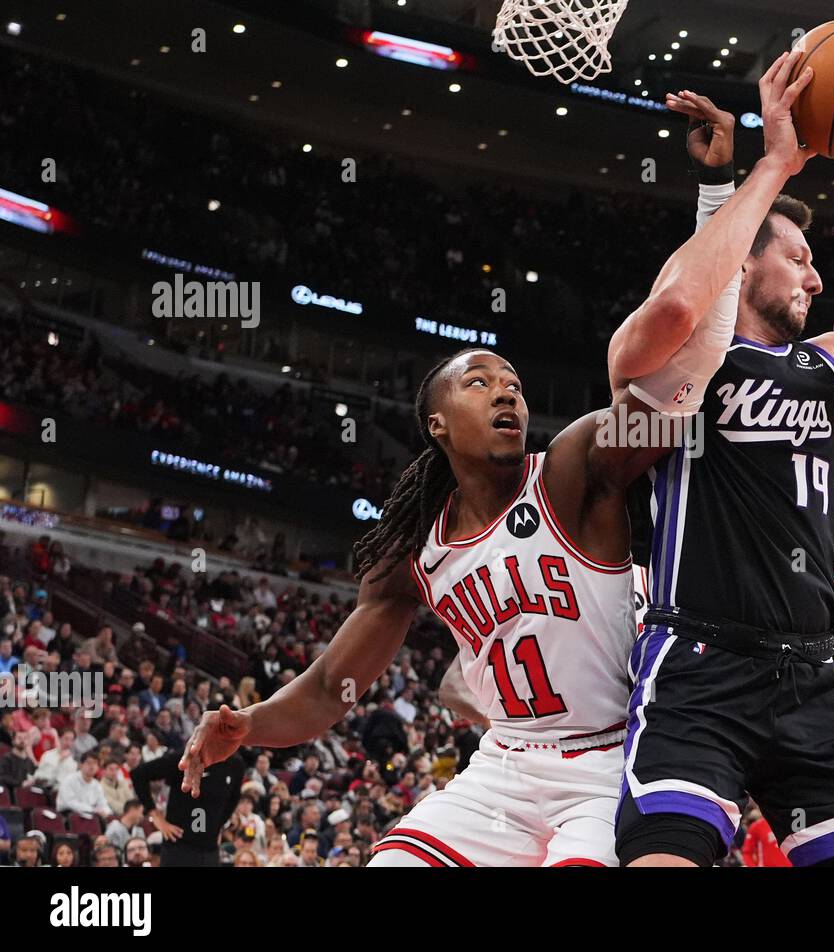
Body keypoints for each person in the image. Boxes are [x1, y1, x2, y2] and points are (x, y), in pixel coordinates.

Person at [612, 50, 834, 867]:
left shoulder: (830, 368)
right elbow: (676, 302)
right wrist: (768, 165)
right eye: (797, 256)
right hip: (698, 664)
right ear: (745, 263)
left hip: (813, 674)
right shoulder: (678, 369)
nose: (816, 274)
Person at [176, 338, 684, 866]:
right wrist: (250, 725)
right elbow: (331, 687)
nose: (505, 395)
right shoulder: (414, 551)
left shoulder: (567, 474)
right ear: (437, 423)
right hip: (507, 765)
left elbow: (670, 407)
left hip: (611, 759)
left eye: (514, 386)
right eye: (480, 383)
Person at [131, 748, 244, 867]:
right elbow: (138, 774)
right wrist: (155, 815)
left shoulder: (236, 763)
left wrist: (219, 825)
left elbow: (234, 797)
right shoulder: (187, 757)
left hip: (210, 848)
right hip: (179, 845)